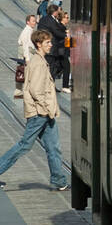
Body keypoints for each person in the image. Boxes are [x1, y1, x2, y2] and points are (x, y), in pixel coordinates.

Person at [0, 28, 68, 191]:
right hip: (40, 114)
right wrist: (46, 108)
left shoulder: (40, 61)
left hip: (46, 113)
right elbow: (36, 91)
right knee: (24, 145)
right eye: (47, 43)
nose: (50, 45)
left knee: (53, 147)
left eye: (50, 42)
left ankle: (59, 179)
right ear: (39, 44)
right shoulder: (38, 63)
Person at [40, 3, 66, 85]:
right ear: (54, 12)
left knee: (48, 66)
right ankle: (50, 86)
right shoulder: (51, 20)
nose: (58, 13)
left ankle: (49, 85)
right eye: (57, 12)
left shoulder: (43, 19)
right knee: (52, 67)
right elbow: (56, 32)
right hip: (51, 48)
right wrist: (66, 36)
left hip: (43, 46)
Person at [58, 11, 71, 91]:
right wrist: (68, 37)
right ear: (62, 19)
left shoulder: (64, 27)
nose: (68, 19)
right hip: (62, 51)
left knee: (62, 67)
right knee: (67, 67)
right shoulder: (61, 27)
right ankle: (65, 86)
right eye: (66, 17)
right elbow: (64, 41)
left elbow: (69, 43)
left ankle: (65, 86)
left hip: (64, 51)